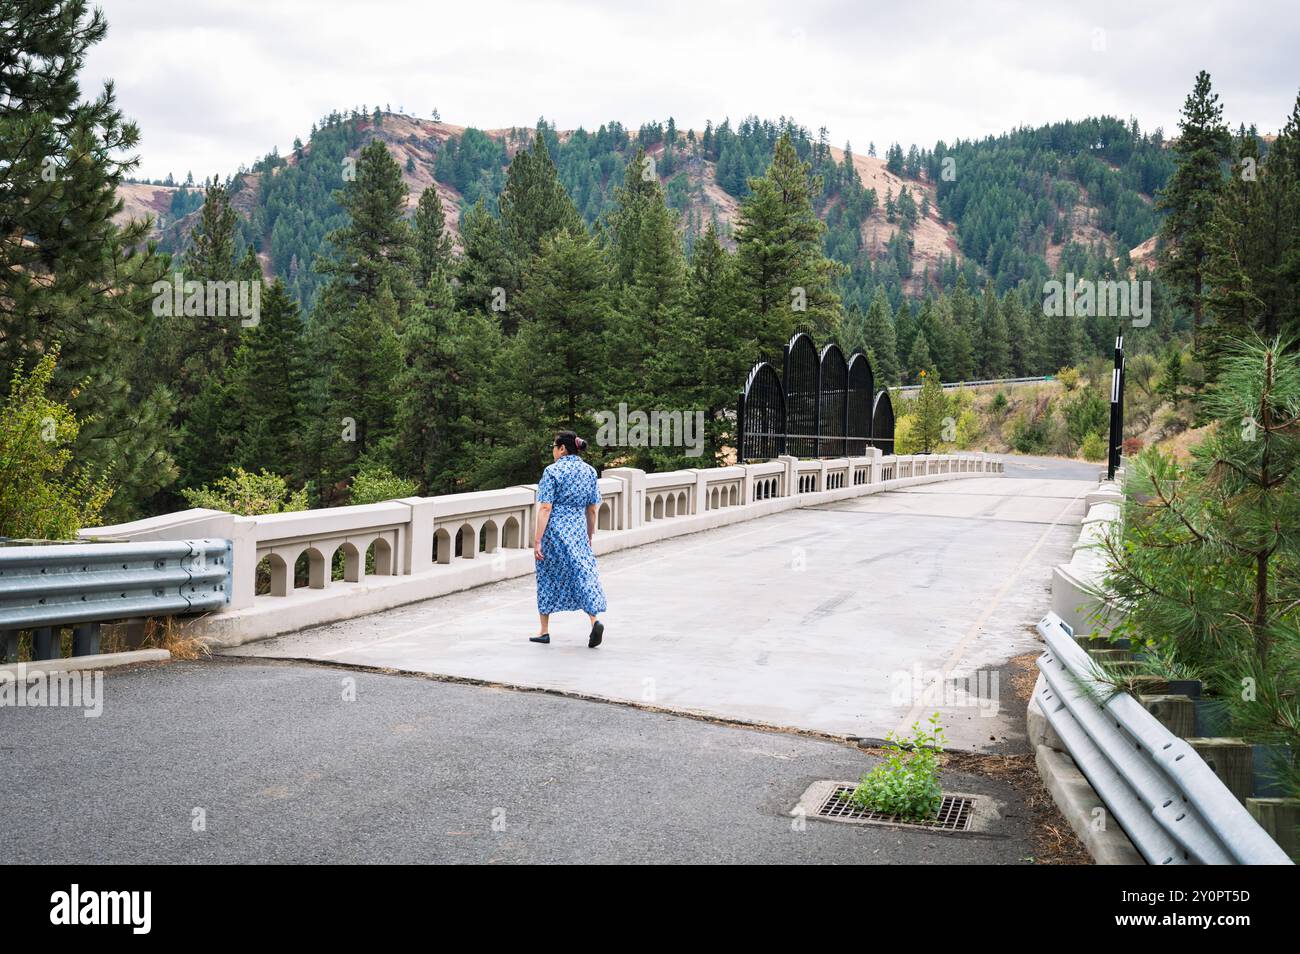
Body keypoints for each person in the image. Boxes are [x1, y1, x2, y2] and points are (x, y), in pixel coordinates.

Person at [530, 431, 607, 647]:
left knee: (546, 575)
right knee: (582, 573)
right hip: (578, 529)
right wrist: (589, 535)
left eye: (554, 447)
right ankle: (594, 620)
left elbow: (545, 508)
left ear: (562, 449)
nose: (553, 451)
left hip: (555, 530)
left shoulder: (552, 471)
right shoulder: (590, 471)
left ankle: (544, 630)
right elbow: (592, 509)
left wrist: (537, 541)